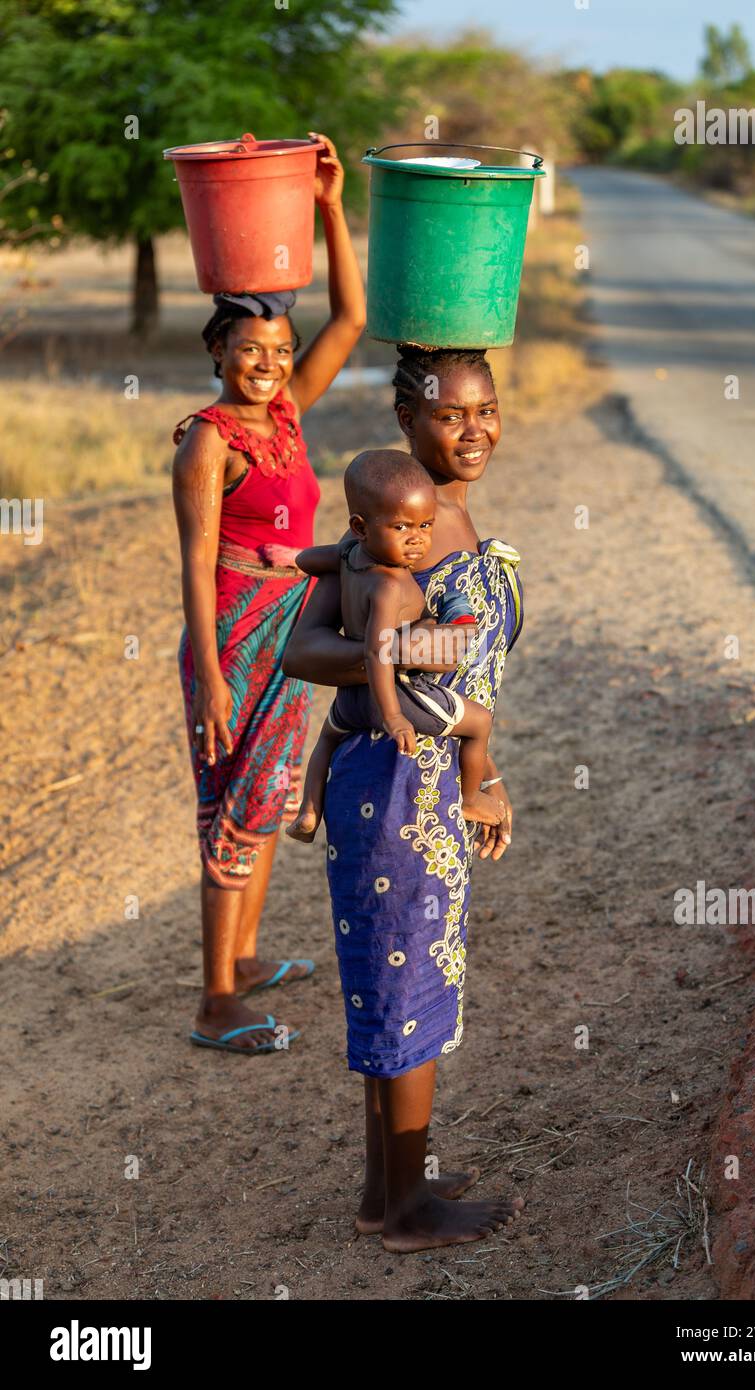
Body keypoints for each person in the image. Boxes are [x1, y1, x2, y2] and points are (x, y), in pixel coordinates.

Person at [282, 347, 525, 1250]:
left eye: (487, 409)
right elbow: (300, 653)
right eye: (451, 415)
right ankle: (409, 1214)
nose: (475, 431)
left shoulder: (434, 521)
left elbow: (476, 673)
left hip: (415, 771)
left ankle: (388, 1188)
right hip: (393, 778)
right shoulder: (385, 534)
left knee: (402, 972)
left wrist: (478, 761)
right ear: (408, 423)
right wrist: (394, 667)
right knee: (403, 977)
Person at [172, 133, 366, 1055]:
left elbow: (354, 322)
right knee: (234, 805)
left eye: (279, 350)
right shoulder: (208, 442)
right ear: (219, 353)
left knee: (265, 794)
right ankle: (216, 999)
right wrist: (209, 671)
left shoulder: (286, 416)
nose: (269, 363)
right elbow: (195, 561)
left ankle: (244, 960)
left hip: (291, 632)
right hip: (235, 641)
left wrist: (329, 204)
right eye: (251, 349)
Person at [284, 448, 507, 841]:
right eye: (402, 528)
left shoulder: (350, 555)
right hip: (396, 696)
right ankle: (470, 797)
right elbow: (378, 650)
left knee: (326, 739)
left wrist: (301, 560)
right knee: (479, 722)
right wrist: (393, 716)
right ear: (360, 525)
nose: (417, 540)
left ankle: (308, 811)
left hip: (349, 703)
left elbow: (307, 559)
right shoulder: (388, 585)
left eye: (425, 526)